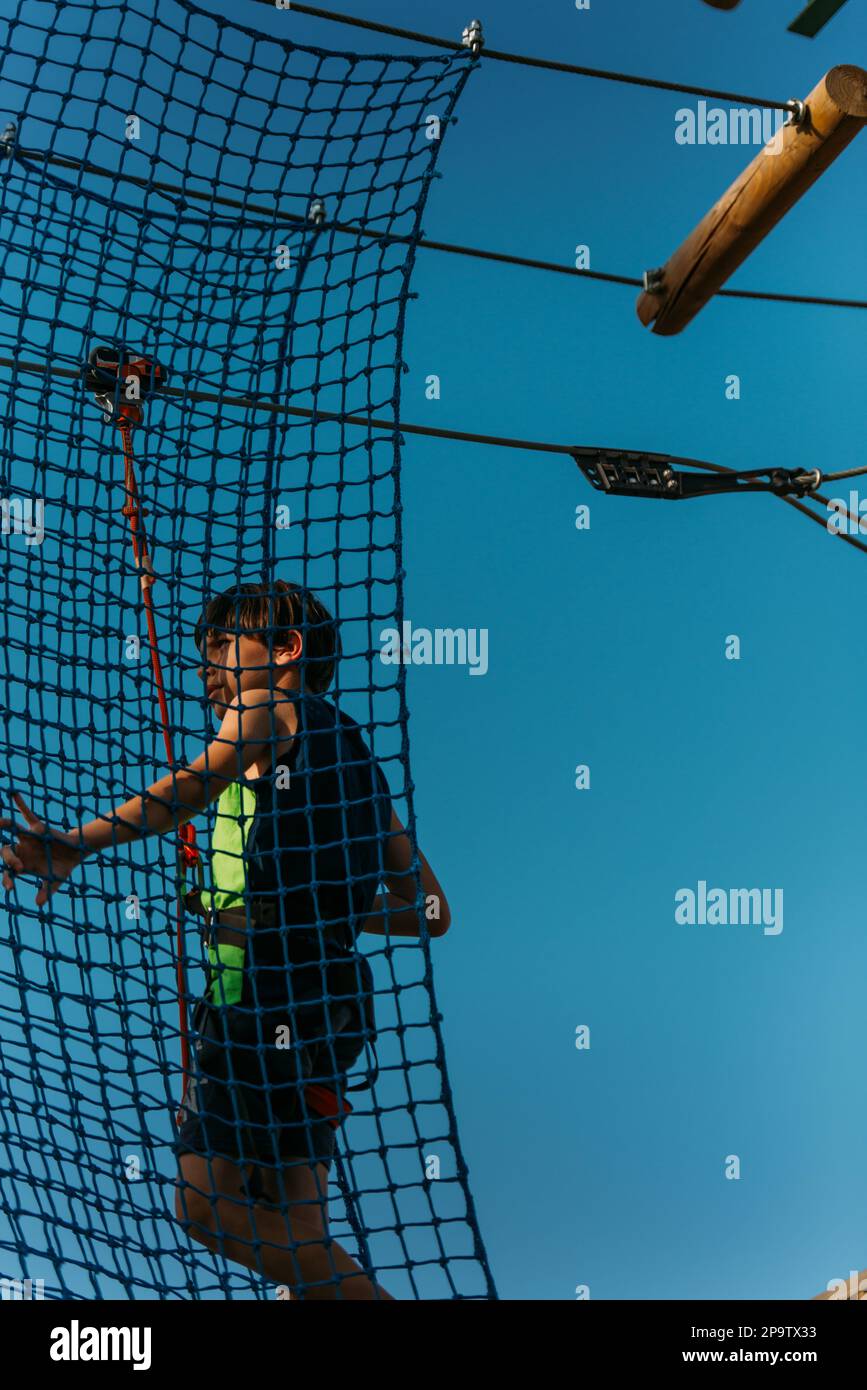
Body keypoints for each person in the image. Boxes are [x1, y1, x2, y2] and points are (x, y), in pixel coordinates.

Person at [0, 580, 451, 1300]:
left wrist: (77, 844)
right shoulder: (360, 764)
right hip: (329, 1010)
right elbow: (430, 911)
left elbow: (195, 782)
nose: (205, 667)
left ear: (284, 651)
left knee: (206, 1205)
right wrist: (298, 906)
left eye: (220, 647)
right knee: (296, 1232)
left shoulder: (264, 706)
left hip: (260, 1000)